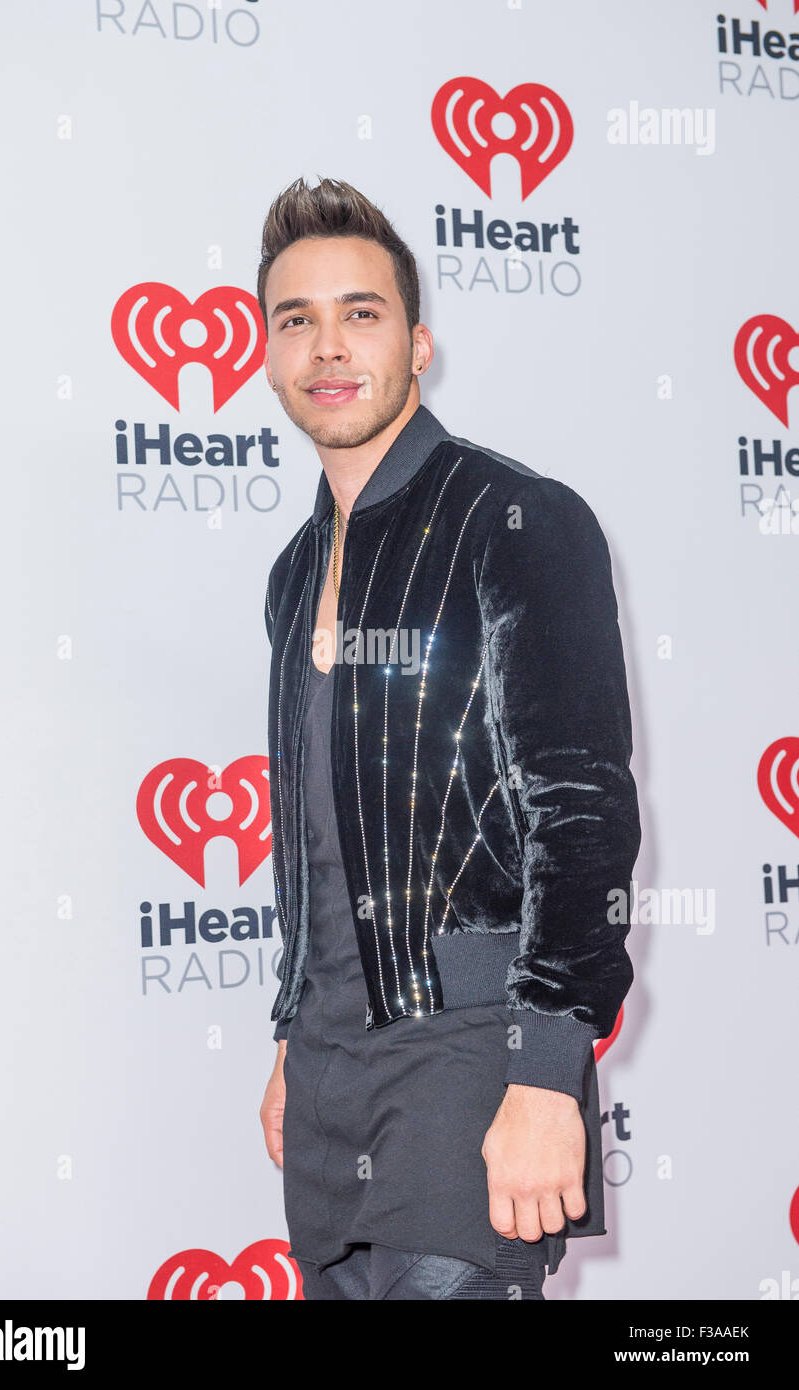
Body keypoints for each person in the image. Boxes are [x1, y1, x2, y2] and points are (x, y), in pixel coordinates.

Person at [256, 177, 641, 1301]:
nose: (328, 346)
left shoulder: (517, 518)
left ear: (416, 340)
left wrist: (544, 1072)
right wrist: (291, 1036)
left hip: (468, 1061)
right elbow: (314, 829)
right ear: (270, 354)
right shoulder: (289, 575)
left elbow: (581, 807)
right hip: (328, 1082)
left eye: (360, 313)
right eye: (297, 319)